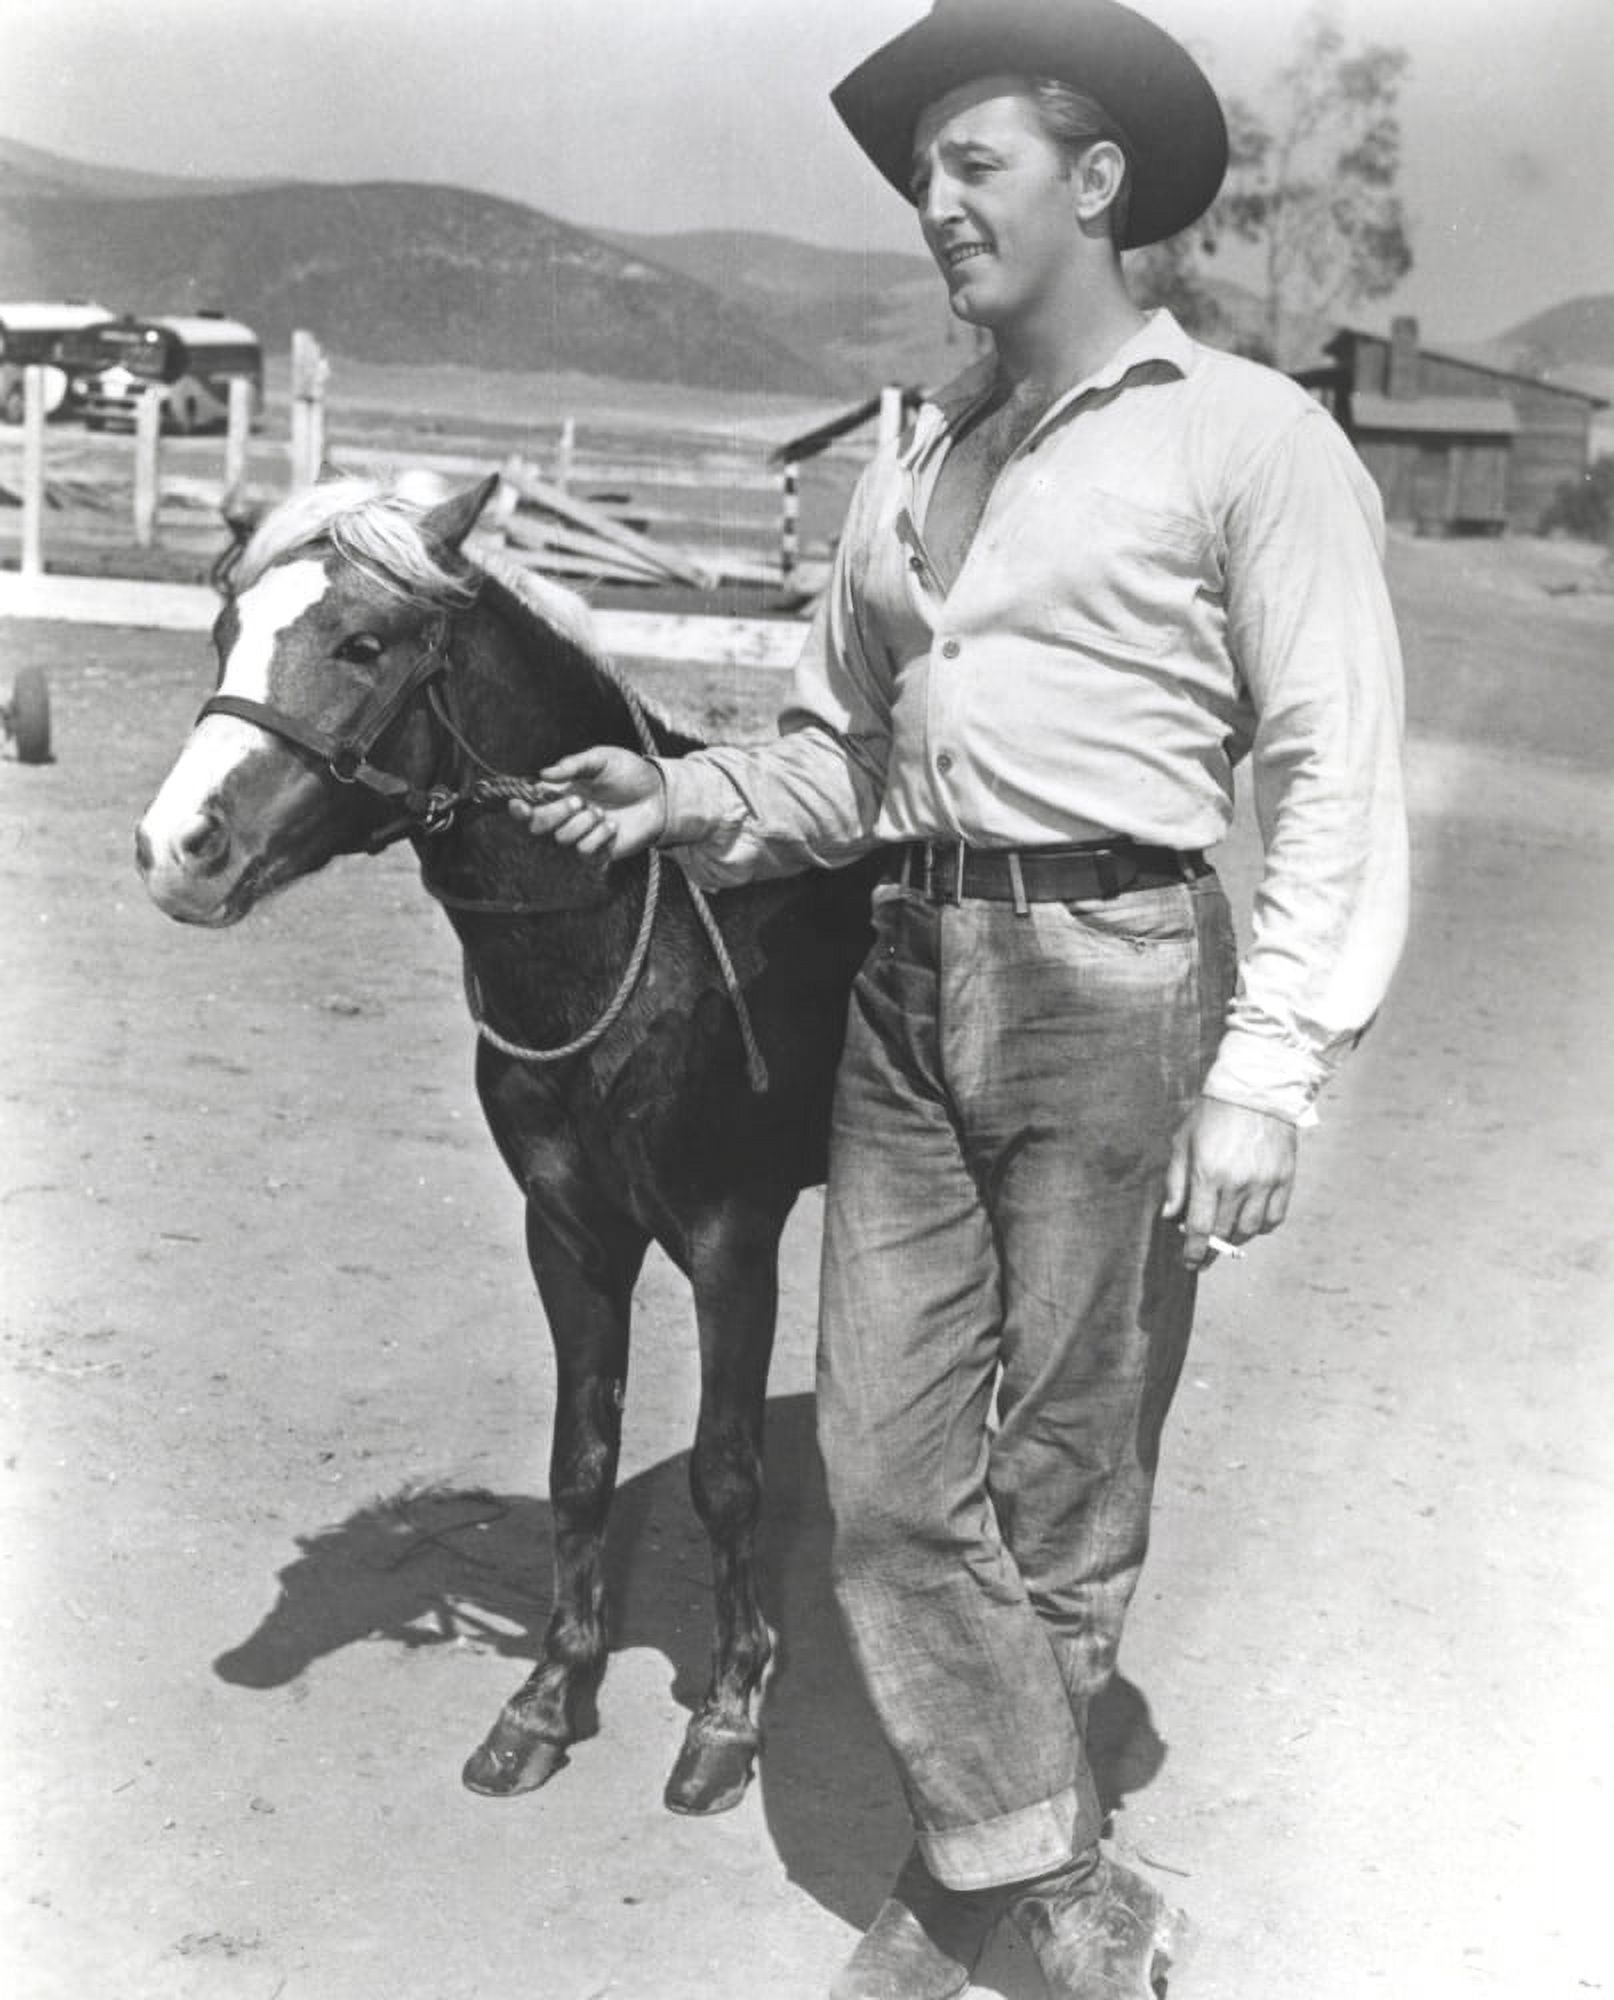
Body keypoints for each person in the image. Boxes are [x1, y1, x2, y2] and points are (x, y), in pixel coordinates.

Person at [511, 2, 1409, 1992]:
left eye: (971, 163)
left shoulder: (1248, 437)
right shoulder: (917, 456)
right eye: (922, 175)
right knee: (895, 1478)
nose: (933, 206)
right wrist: (680, 791)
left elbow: (1330, 760)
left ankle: (957, 1905)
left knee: (1067, 1465)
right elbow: (843, 754)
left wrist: (1272, 1071)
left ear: (1099, 184)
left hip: (1122, 973)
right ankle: (1070, 1893)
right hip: (909, 980)